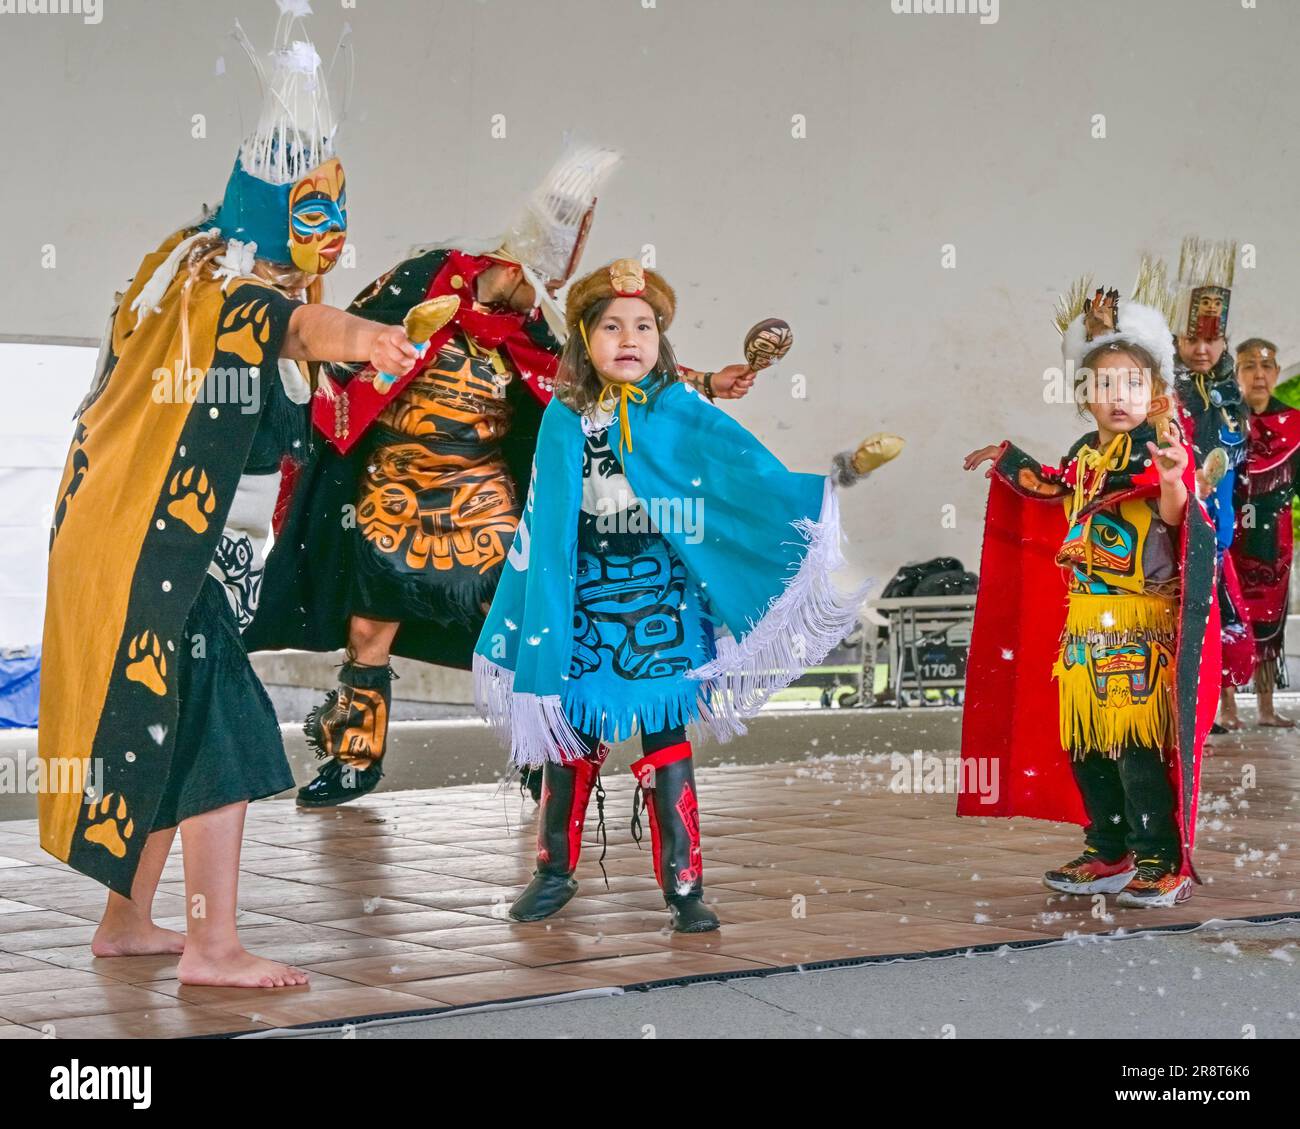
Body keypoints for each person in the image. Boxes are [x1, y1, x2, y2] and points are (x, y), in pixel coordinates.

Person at [37, 5, 422, 989]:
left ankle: (126, 922)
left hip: (130, 541)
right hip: (145, 549)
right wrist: (358, 338)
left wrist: (326, 334)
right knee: (234, 735)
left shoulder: (178, 268)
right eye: (310, 212)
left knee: (162, 732)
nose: (324, 238)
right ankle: (214, 946)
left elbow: (264, 353)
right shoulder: (222, 279)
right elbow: (278, 326)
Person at [245, 146, 761, 808]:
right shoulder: (427, 279)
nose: (540, 303)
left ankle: (544, 752)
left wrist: (705, 383)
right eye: (535, 287)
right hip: (391, 478)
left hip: (483, 488)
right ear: (513, 265)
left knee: (522, 620)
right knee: (370, 628)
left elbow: (617, 371)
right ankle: (353, 757)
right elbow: (345, 347)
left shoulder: (539, 325)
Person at [473, 257, 902, 931]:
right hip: (582, 600)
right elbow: (546, 515)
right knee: (570, 738)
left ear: (661, 341)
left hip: (663, 603)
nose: (628, 338)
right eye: (611, 326)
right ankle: (553, 871)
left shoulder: (679, 410)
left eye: (643, 326)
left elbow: (745, 477)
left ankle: (684, 885)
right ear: (584, 340)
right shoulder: (564, 418)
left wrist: (834, 477)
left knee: (666, 739)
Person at [960, 280, 1219, 907]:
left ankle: (1161, 860)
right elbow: (1053, 488)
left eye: (1132, 383)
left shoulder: (1161, 446)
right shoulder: (1084, 454)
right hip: (1085, 631)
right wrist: (1009, 458)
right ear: (1085, 397)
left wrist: (1173, 480)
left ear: (1154, 392)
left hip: (1140, 628)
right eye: (1103, 384)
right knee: (1083, 745)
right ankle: (1108, 848)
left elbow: (1179, 516)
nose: (1117, 396)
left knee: (1134, 750)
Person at [1164, 238, 1255, 727]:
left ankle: (1209, 711)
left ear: (1224, 342)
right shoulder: (1159, 393)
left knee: (1212, 623)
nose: (1201, 349)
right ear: (1175, 340)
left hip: (1214, 536)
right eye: (1191, 339)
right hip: (1169, 533)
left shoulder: (1230, 398)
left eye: (1212, 340)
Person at [1225, 338, 1300, 727]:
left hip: (1274, 541)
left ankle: (1267, 709)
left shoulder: (1295, 424)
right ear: (1236, 373)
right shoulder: (1224, 420)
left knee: (1269, 623)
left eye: (1266, 366)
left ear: (1275, 373)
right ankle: (1229, 707)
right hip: (1229, 536)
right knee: (1227, 619)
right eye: (1249, 366)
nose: (1259, 374)